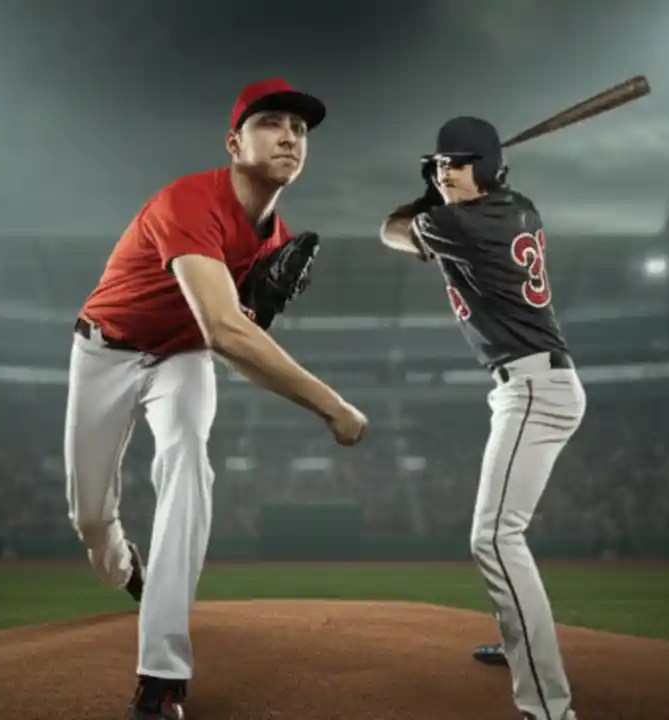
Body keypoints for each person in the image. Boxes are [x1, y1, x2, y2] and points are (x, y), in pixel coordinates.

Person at [65, 77, 369, 720]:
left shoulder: (276, 240)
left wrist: (258, 315)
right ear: (234, 143)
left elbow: (235, 349)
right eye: (271, 123)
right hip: (106, 352)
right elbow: (226, 332)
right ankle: (126, 569)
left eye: (300, 128)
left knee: (188, 461)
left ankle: (162, 674)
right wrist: (333, 405)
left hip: (183, 359)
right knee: (90, 516)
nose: (289, 134)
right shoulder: (189, 200)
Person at [378, 116, 585, 720]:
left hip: (533, 388)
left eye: (457, 164)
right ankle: (518, 641)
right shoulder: (517, 205)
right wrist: (449, 184)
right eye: (439, 164)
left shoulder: (459, 223)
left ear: (489, 168)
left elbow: (389, 232)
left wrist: (423, 196)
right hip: (535, 381)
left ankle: (549, 708)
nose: (444, 173)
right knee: (499, 532)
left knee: (493, 538)